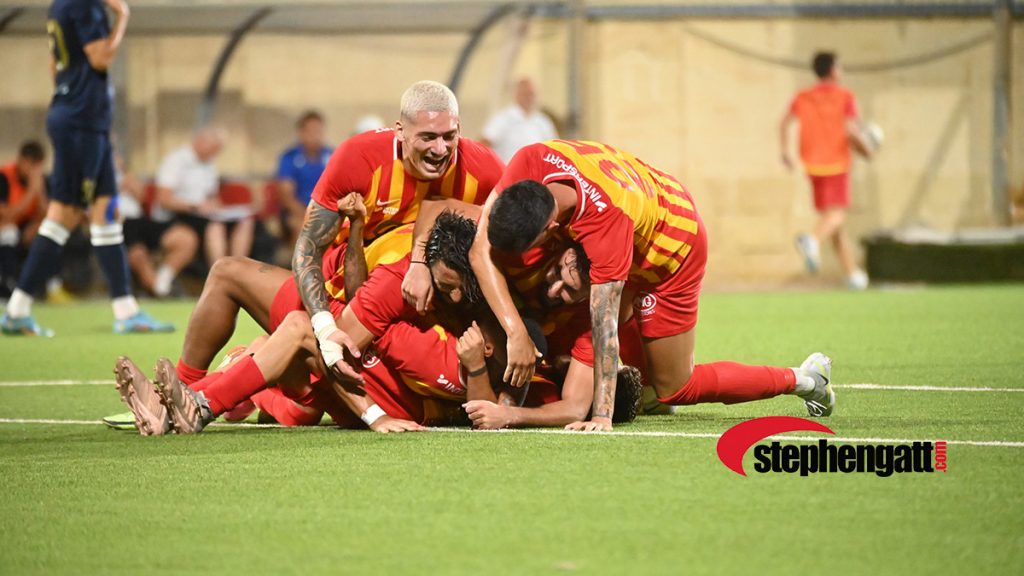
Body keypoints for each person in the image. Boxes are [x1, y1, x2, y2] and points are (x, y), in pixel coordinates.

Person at [473, 139, 837, 431]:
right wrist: (515, 331)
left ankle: (803, 379)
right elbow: (479, 247)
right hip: (643, 202)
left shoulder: (605, 228)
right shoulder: (529, 159)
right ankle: (642, 387)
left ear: (552, 231)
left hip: (673, 245)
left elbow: (605, 329)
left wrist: (601, 415)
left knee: (677, 386)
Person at [2, 0, 172, 336]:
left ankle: (126, 311)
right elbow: (100, 56)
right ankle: (17, 308)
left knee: (106, 212)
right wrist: (122, 16)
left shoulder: (59, 6)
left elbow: (55, 65)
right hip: (82, 124)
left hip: (82, 121)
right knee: (63, 214)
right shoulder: (86, 6)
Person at [780, 51, 874, 290]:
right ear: (833, 70)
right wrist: (866, 150)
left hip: (812, 164)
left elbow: (784, 122)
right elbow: (851, 130)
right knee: (838, 215)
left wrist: (785, 152)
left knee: (833, 222)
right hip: (837, 163)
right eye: (840, 67)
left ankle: (853, 275)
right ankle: (811, 240)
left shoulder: (803, 96)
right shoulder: (844, 96)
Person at [153, 127, 253, 268]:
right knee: (215, 226)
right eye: (214, 149)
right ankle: (221, 273)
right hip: (179, 214)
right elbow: (164, 199)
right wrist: (196, 206)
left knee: (245, 221)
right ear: (201, 142)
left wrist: (217, 207)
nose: (216, 153)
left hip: (203, 213)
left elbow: (212, 195)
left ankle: (239, 270)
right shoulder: (176, 160)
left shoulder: (209, 163)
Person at [116, 153, 197, 297]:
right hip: (116, 223)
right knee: (137, 255)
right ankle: (159, 290)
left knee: (186, 238)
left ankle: (164, 279)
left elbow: (142, 197)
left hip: (139, 220)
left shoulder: (123, 172)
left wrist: (123, 171)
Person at [275, 110, 332, 246]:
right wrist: (307, 215)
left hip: (327, 211)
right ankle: (300, 267)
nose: (315, 136)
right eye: (310, 131)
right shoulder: (289, 157)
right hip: (298, 212)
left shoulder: (331, 156)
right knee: (302, 227)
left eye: (318, 131)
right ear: (301, 133)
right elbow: (286, 196)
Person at [0, 141, 47, 297]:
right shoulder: (4, 176)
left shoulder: (38, 181)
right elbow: (6, 215)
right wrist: (31, 192)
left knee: (46, 231)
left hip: (23, 229)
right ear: (23, 160)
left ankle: (43, 284)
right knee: (9, 231)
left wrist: (39, 192)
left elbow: (45, 215)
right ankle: (8, 283)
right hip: (5, 228)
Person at [481, 78, 558, 163]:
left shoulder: (543, 121)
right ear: (516, 94)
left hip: (536, 174)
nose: (530, 98)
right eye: (526, 94)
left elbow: (555, 148)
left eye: (532, 94)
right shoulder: (503, 118)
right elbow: (484, 144)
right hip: (508, 172)